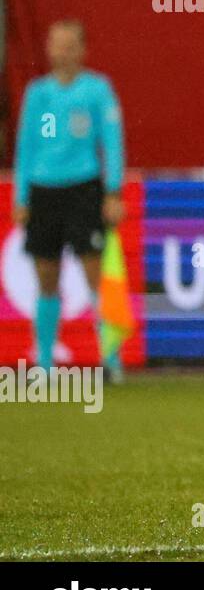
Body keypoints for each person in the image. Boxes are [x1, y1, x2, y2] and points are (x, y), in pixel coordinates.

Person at [12, 21, 126, 379]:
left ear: (82, 50)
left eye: (69, 45)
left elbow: (112, 140)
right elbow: (28, 146)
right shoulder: (39, 95)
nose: (61, 51)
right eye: (56, 44)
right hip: (45, 192)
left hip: (84, 189)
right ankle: (44, 362)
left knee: (96, 272)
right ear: (48, 48)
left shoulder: (97, 90)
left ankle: (111, 357)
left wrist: (113, 190)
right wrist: (22, 195)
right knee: (46, 275)